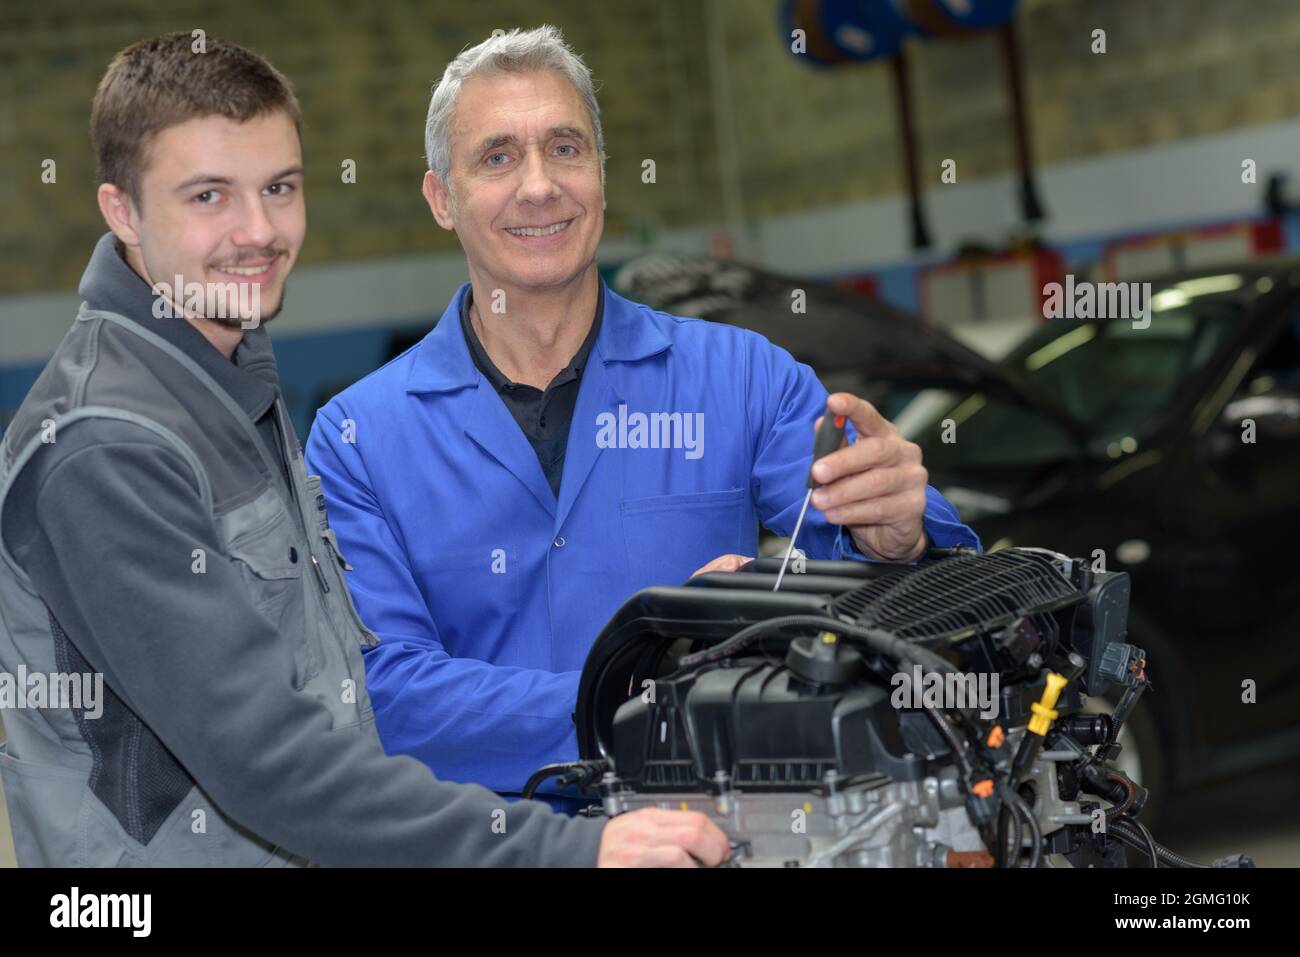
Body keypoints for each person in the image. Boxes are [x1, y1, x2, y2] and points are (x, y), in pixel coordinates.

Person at [0, 32, 729, 868]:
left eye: (278, 188)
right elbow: (273, 763)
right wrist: (565, 850)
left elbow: (341, 698)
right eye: (208, 196)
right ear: (122, 210)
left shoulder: (230, 382)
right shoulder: (106, 443)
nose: (259, 231)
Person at [305, 26, 980, 808]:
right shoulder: (359, 436)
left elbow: (887, 601)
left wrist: (904, 536)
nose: (538, 185)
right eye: (497, 157)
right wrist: (648, 692)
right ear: (440, 199)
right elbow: (387, 695)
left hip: (708, 837)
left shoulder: (741, 378)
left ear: (601, 174)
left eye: (566, 148)